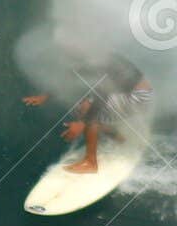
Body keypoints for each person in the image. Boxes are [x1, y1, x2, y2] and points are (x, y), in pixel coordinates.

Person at [23, 52, 151, 174]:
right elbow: (70, 79)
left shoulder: (103, 61)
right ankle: (122, 141)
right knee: (83, 110)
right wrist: (45, 96)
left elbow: (102, 94)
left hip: (137, 97)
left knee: (89, 113)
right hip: (129, 94)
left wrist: (82, 123)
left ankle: (91, 163)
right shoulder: (91, 59)